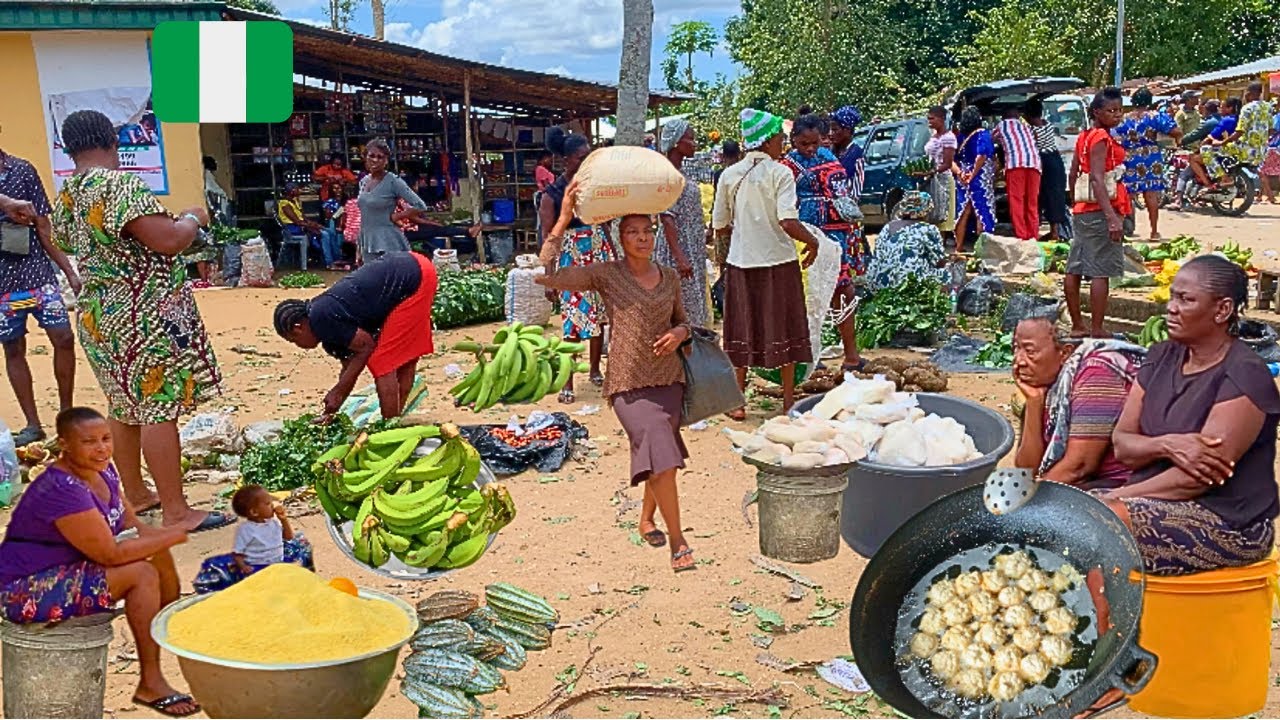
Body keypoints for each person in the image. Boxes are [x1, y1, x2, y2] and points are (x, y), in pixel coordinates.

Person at [50, 110, 230, 533]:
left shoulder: (69, 193)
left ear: (69, 149)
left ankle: (135, 493)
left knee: (124, 405)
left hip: (99, 316)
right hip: (140, 316)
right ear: (112, 141)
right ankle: (177, 512)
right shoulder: (119, 185)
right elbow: (168, 241)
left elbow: (63, 240)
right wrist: (193, 218)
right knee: (157, 407)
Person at [0, 407, 197, 716]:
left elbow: (133, 526)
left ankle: (169, 633)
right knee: (142, 574)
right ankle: (151, 681)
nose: (102, 448)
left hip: (70, 569)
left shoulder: (103, 470)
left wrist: (158, 541)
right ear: (64, 445)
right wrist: (173, 535)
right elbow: (109, 555)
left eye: (106, 439)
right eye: (89, 442)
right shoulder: (63, 489)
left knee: (156, 555)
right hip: (24, 590)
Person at [538, 198, 695, 572]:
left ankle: (646, 520)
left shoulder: (669, 276)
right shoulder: (607, 274)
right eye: (632, 232)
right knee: (660, 451)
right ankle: (679, 542)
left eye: (647, 231)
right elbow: (549, 276)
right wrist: (562, 221)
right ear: (619, 238)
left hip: (668, 380)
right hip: (627, 383)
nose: (642, 238)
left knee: (660, 459)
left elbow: (684, 322)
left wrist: (679, 333)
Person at [1102, 255, 1279, 575]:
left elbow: (1196, 478)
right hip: (1148, 496)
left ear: (1222, 310)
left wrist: (1115, 497)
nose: (1171, 308)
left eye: (1185, 299)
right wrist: (1168, 444)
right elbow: (1123, 445)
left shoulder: (1244, 374)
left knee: (1098, 523)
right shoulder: (1161, 356)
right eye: (1172, 297)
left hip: (1228, 521)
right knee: (1063, 508)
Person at [712, 108, 819, 415]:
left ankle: (737, 402)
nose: (782, 144)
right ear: (768, 140)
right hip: (779, 262)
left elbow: (720, 224)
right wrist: (812, 242)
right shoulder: (780, 173)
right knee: (785, 327)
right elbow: (788, 221)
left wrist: (737, 240)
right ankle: (788, 401)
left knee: (742, 329)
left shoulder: (729, 175)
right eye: (780, 139)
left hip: (741, 262)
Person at [272, 251, 438, 419]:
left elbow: (366, 346)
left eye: (294, 340)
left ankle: (388, 426)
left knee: (381, 361)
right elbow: (349, 366)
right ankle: (395, 418)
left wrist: (338, 391)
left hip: (413, 278)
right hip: (415, 268)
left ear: (298, 328)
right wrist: (334, 407)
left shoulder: (320, 318)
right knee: (404, 358)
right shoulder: (325, 326)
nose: (300, 346)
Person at [0, 147, 81, 445]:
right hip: (2, 282)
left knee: (64, 337)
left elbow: (44, 228)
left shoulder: (23, 170)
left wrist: (69, 271)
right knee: (13, 347)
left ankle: (67, 415)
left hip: (37, 273)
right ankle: (32, 424)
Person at [1012, 317, 1142, 491]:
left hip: (1122, 487)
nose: (1019, 361)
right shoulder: (1047, 386)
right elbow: (1026, 471)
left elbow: (1079, 467)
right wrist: (1034, 403)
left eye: (1030, 351)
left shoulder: (1096, 373)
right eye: (1016, 348)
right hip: (1082, 484)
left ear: (1064, 353)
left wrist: (1034, 498)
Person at [781, 112, 864, 371]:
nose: (810, 148)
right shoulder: (787, 165)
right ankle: (809, 358)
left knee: (843, 290)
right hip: (807, 234)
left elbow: (843, 192)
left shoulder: (828, 158)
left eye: (815, 143)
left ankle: (851, 356)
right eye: (804, 143)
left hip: (836, 234)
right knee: (809, 294)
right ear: (793, 140)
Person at [538, 127, 614, 401]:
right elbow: (549, 236)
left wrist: (614, 259)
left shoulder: (593, 189)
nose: (585, 163)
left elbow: (605, 226)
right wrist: (549, 276)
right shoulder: (552, 195)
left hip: (598, 255)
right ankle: (567, 382)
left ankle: (594, 370)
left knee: (599, 318)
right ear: (566, 160)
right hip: (571, 261)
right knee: (572, 321)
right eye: (581, 158)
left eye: (588, 157)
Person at [1066, 88, 1132, 340]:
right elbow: (1096, 178)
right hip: (1101, 211)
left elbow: (1074, 173)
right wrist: (1111, 217)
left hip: (1082, 210)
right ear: (1097, 112)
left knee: (1075, 266)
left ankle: (1077, 325)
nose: (1117, 115)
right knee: (1100, 271)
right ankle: (1096, 328)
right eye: (1111, 111)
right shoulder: (1101, 138)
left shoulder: (1084, 136)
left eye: (1119, 110)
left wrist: (1074, 201)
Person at [192, 484, 313, 593]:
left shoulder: (272, 523)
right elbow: (238, 553)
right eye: (268, 503)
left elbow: (288, 537)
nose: (273, 505)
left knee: (301, 542)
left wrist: (283, 519)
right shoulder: (247, 530)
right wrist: (244, 567)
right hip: (258, 565)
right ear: (254, 512)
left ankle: (307, 582)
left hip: (276, 559)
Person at [655, 119, 710, 328]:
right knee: (683, 303)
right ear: (677, 142)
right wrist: (680, 257)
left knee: (692, 300)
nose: (694, 143)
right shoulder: (668, 176)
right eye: (690, 139)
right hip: (678, 247)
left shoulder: (680, 172)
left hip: (691, 245)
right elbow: (667, 218)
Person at [1114, 86, 1181, 240]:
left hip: (1130, 157)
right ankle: (1154, 231)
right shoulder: (1155, 116)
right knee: (1151, 195)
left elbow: (1117, 134)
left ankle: (1123, 229)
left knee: (1128, 194)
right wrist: (1176, 140)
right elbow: (1175, 131)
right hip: (1151, 158)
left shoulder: (1125, 118)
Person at [355, 138, 433, 263]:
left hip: (388, 241)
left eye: (380, 157)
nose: (375, 160)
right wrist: (359, 248)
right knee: (372, 275)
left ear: (386, 160)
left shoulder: (393, 181)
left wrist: (397, 216)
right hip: (368, 242)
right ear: (365, 157)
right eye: (372, 156)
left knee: (391, 274)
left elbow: (420, 205)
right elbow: (364, 218)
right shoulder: (363, 182)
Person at [865, 190, 948, 291]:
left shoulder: (888, 227)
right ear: (925, 211)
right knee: (946, 273)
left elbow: (878, 256)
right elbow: (939, 261)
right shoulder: (928, 229)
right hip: (910, 285)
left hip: (881, 284)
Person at [992, 107, 1042, 241]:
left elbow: (990, 140)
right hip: (1034, 164)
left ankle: (1022, 235)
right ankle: (1033, 235)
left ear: (1004, 117)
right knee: (1032, 202)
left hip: (1016, 165)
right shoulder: (1026, 127)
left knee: (1017, 201)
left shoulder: (1001, 126)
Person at [827, 105, 869, 260]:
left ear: (847, 130)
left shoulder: (856, 155)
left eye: (835, 129)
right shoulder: (831, 153)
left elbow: (857, 189)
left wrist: (846, 207)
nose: (831, 134)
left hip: (847, 214)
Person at [953, 106, 996, 250]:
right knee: (982, 210)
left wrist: (961, 174)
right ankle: (983, 249)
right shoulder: (983, 134)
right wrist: (973, 175)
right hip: (979, 178)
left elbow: (953, 159)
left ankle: (958, 247)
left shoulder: (960, 137)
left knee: (964, 212)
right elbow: (982, 155)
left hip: (963, 179)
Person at [1025, 100, 1067, 242]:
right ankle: (1055, 230)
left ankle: (1047, 232)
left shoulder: (1032, 130)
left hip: (1044, 162)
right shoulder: (1048, 124)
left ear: (1028, 115)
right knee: (1056, 195)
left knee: (1043, 196)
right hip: (1056, 159)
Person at [276, 184, 343, 270]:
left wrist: (315, 224)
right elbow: (297, 222)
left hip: (303, 227)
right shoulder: (284, 204)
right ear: (291, 191)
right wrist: (313, 227)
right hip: (293, 230)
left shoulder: (295, 201)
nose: (299, 191)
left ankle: (337, 259)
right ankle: (329, 263)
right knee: (325, 234)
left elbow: (303, 218)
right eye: (297, 189)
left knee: (330, 232)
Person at [1170, 99, 1222, 210]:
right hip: (1220, 153)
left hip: (1208, 153)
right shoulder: (1223, 120)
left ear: (1206, 110)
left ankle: (1178, 200)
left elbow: (1195, 134)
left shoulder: (1210, 122)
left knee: (1184, 174)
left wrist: (1182, 141)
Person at [923, 105, 957, 238]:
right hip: (932, 179)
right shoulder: (934, 136)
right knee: (932, 215)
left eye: (932, 119)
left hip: (943, 181)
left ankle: (941, 245)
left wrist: (932, 171)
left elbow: (947, 164)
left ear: (942, 119)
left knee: (941, 215)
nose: (929, 122)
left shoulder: (948, 137)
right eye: (928, 119)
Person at [709, 140, 743, 269]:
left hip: (724, 223)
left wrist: (712, 226)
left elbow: (717, 201)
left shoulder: (719, 174)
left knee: (723, 262)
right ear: (739, 155)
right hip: (740, 222)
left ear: (723, 156)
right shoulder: (745, 173)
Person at [1263, 102, 1280, 204]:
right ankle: (1264, 196)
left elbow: (1272, 130)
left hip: (1275, 147)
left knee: (1262, 171)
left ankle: (1270, 196)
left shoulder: (1277, 117)